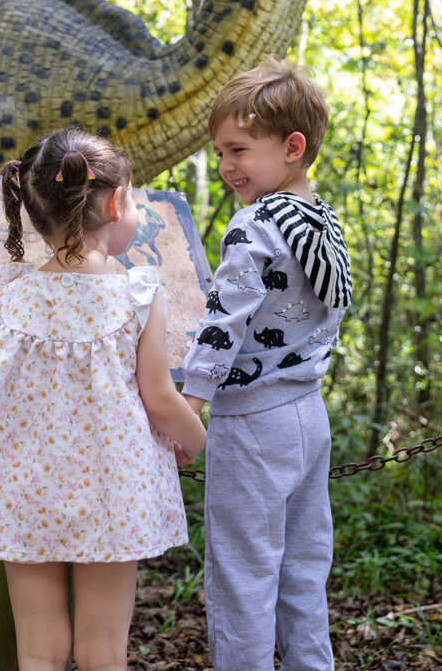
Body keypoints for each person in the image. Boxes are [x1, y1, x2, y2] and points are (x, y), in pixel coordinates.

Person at [0, 126, 206, 671]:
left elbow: (6, 391)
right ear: (115, 201)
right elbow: (159, 399)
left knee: (38, 650)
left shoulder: (10, 292)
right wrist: (201, 442)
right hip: (111, 488)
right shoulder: (136, 293)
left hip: (24, 488)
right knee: (103, 652)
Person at [181, 58, 351, 671]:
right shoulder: (320, 221)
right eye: (221, 151)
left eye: (238, 149)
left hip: (253, 421)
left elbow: (224, 319)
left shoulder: (255, 224)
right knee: (305, 566)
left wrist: (191, 401)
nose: (227, 166)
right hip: (308, 414)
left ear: (292, 147)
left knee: (242, 572)